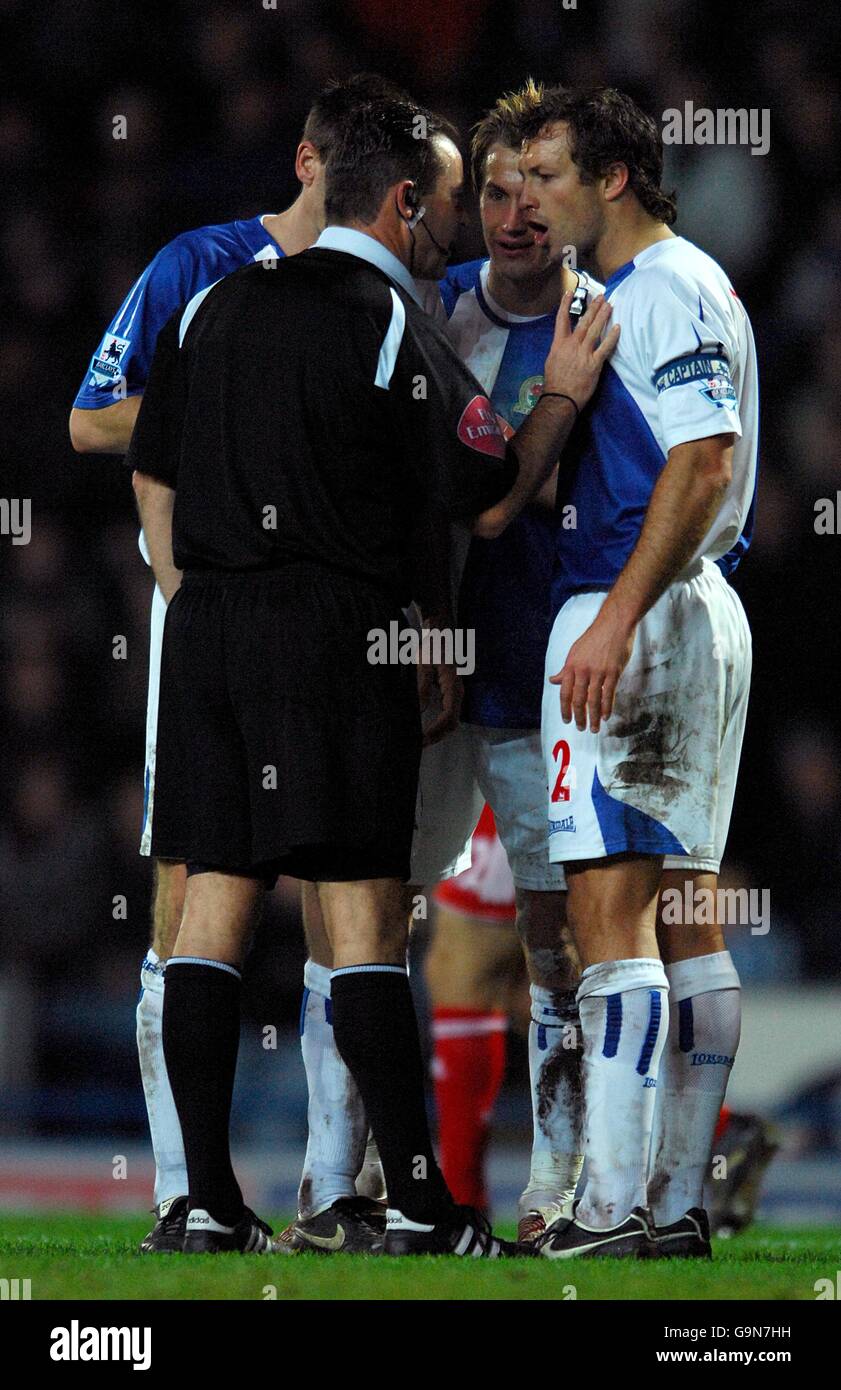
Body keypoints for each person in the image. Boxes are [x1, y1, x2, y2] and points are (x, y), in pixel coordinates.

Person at [126, 90, 619, 1256]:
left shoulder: (211, 305)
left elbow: (153, 462)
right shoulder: (390, 319)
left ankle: (198, 1202)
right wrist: (559, 395)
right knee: (358, 918)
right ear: (402, 203)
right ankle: (412, 1200)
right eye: (449, 204)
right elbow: (485, 491)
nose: (454, 227)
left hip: (206, 624)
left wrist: (202, 594)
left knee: (210, 909)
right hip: (330, 630)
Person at [68, 73, 441, 1255]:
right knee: (194, 889)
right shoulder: (202, 265)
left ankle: (334, 1189)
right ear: (309, 163)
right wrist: (247, 409)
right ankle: (186, 1185)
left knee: (358, 904)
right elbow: (93, 418)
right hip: (217, 602)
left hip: (314, 611)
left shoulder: (393, 291)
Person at [517, 85, 757, 1259]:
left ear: (611, 178)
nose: (531, 200)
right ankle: (672, 1207)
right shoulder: (676, 285)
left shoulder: (659, 288)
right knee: (688, 913)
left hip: (642, 607)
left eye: (552, 176)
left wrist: (613, 619)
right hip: (697, 611)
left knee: (607, 915)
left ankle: (607, 1211)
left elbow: (703, 464)